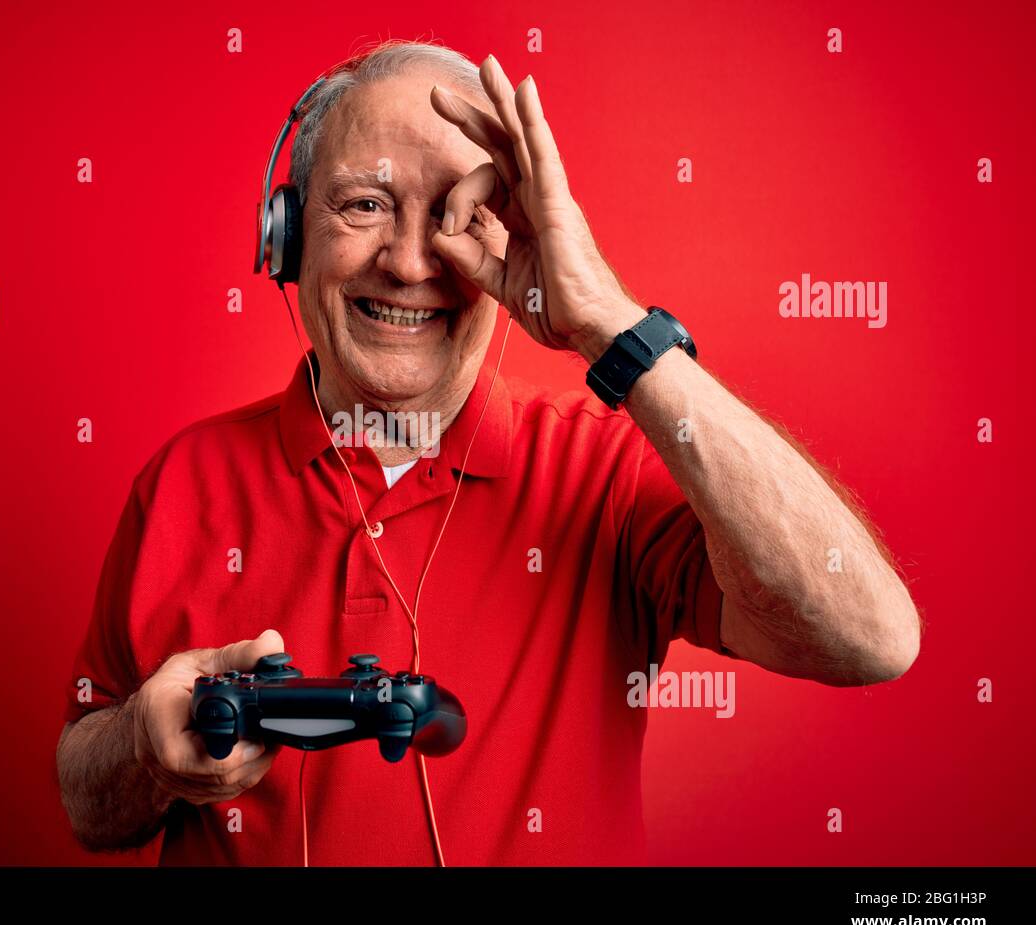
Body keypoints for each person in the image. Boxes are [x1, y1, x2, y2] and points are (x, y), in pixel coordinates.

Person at [55, 40, 920, 866]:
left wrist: (609, 321)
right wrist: (140, 747)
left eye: (456, 215)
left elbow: (870, 639)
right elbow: (84, 794)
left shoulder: (606, 476)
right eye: (365, 204)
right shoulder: (181, 481)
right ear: (284, 238)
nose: (407, 261)